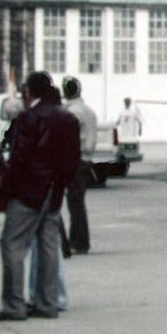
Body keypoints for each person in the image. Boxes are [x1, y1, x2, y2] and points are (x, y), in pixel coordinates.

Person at [0, 73, 80, 320]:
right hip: (53, 190)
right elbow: (73, 159)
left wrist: (9, 191)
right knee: (49, 246)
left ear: (30, 92)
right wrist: (60, 185)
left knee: (12, 245)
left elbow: (18, 159)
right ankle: (47, 302)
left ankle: (14, 304)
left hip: (28, 190)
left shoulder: (27, 119)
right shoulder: (68, 118)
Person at [61, 77, 98, 255]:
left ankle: (79, 241)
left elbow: (69, 140)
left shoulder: (72, 114)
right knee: (78, 201)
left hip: (76, 159)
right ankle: (79, 239)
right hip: (87, 158)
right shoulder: (89, 112)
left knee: (74, 202)